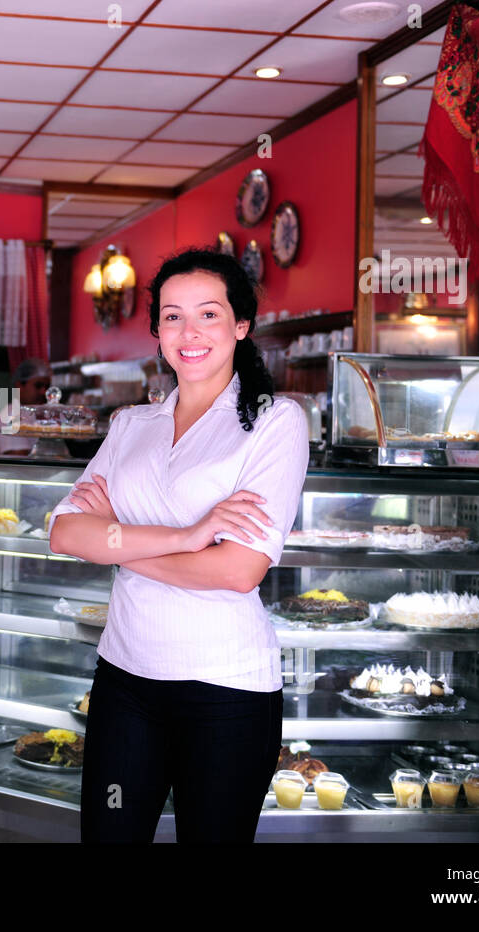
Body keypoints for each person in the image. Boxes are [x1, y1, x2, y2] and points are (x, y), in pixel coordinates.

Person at [47, 248, 309, 843]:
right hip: (125, 679)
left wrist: (116, 544)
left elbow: (238, 570)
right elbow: (66, 531)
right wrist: (190, 537)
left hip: (226, 691)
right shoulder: (129, 427)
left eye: (209, 315)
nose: (189, 333)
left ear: (241, 326)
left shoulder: (275, 421)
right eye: (172, 316)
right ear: (157, 330)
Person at [0, 357, 52, 454]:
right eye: (38, 385)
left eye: (47, 386)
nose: (44, 392)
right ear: (19, 385)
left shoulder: (38, 413)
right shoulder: (11, 414)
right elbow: (18, 458)